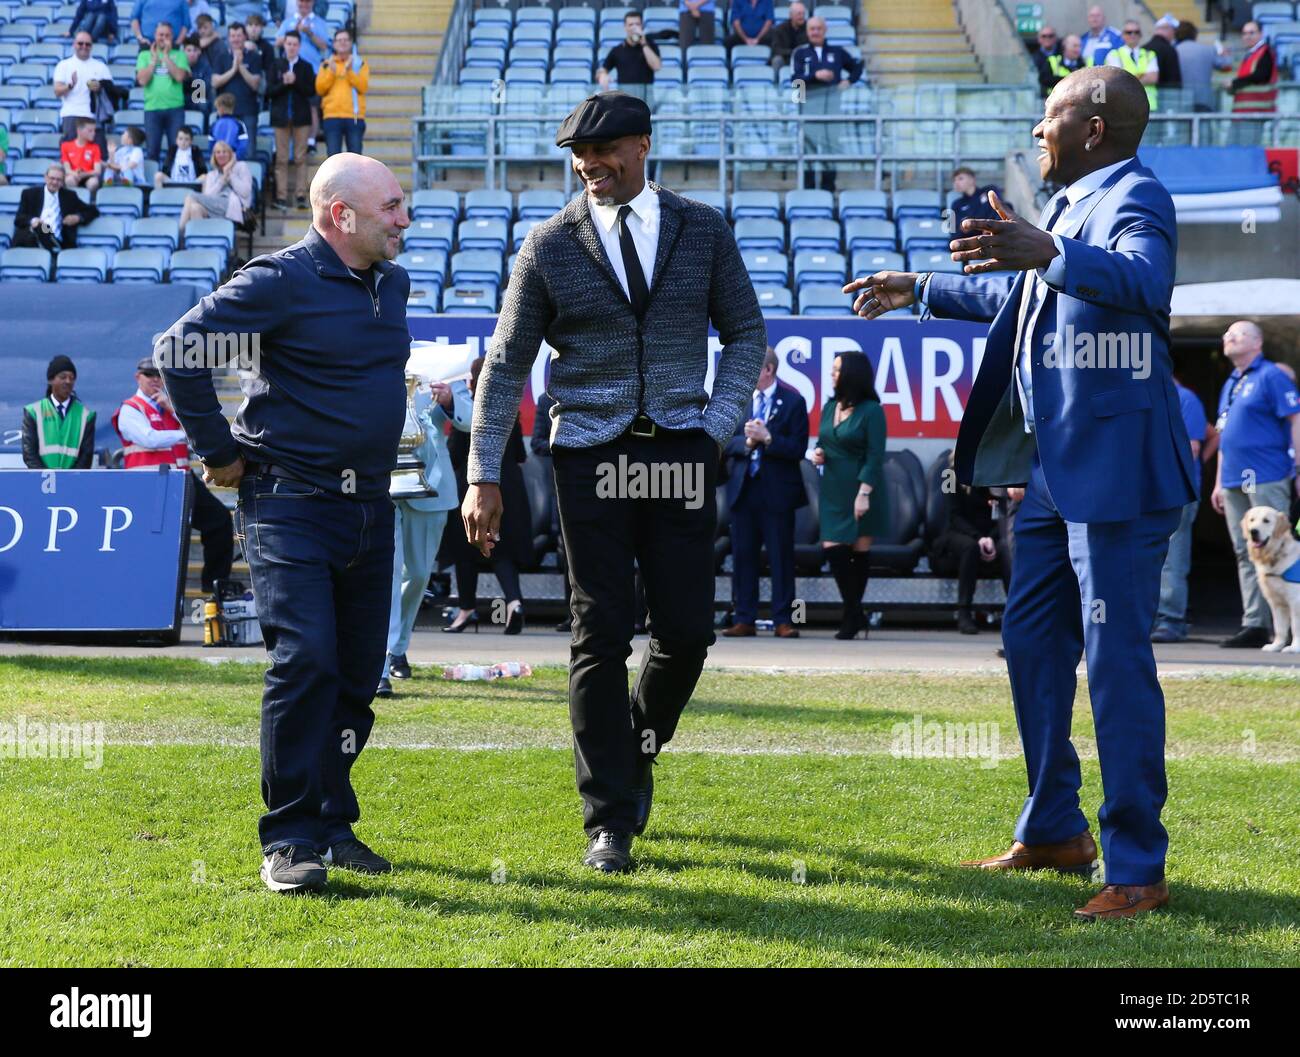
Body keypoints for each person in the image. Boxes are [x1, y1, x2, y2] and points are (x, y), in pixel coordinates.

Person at [844, 67, 1198, 920]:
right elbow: (1025, 295)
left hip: (1117, 472)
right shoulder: (1073, 206)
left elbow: (1148, 287)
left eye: (1051, 114)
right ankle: (1054, 828)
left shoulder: (1138, 198)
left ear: (1097, 123)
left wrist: (1054, 252)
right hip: (1052, 473)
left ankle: (1137, 864)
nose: (1039, 130)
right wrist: (920, 289)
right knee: (1033, 644)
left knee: (1114, 662)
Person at [461, 92, 766, 874]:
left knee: (689, 633)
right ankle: (609, 819)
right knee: (599, 632)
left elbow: (745, 334)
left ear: (641, 145)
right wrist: (482, 472)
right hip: (587, 456)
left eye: (602, 153)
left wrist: (717, 423)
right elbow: (504, 367)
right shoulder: (547, 244)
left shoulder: (703, 229)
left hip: (680, 449)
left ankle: (637, 741)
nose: (587, 167)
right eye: (577, 156)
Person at [157, 153, 412, 894]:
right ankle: (291, 838)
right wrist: (217, 451)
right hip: (290, 504)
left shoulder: (389, 286)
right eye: (392, 206)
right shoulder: (280, 279)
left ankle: (332, 821)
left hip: (371, 504)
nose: (404, 218)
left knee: (357, 677)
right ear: (342, 214)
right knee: (305, 661)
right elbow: (179, 351)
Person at [377, 374, 473, 697]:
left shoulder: (444, 366)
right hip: (381, 483)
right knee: (386, 574)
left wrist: (450, 402)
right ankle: (380, 663)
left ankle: (397, 647)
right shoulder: (374, 351)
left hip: (430, 485)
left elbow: (472, 419)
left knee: (417, 576)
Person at [1210, 320, 1300, 648]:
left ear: (1256, 343)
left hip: (1264, 475)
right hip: (1235, 479)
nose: (1227, 338)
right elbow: (1224, 436)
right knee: (1246, 549)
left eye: (1236, 334)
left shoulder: (1271, 375)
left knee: (1280, 545)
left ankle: (1286, 630)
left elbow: (1295, 419)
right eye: (1226, 334)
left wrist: (1299, 468)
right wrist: (1219, 482)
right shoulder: (1232, 381)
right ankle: (1256, 623)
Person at [112, 357, 233, 592]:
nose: (155, 379)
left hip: (182, 481)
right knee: (157, 543)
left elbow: (197, 427)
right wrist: (183, 435)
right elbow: (148, 438)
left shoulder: (169, 407)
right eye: (149, 375)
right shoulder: (130, 407)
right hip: (148, 485)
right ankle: (144, 591)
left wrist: (172, 409)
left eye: (158, 375)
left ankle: (215, 589)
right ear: (138, 377)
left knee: (219, 521)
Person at [721, 347, 809, 639]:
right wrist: (747, 443)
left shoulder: (794, 401)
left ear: (768, 369)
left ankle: (784, 619)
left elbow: (798, 449)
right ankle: (744, 617)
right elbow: (725, 443)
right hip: (744, 490)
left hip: (777, 493)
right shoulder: (741, 401)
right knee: (743, 556)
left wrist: (768, 439)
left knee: (781, 557)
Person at [441, 357, 531, 636]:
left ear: (474, 380)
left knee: (466, 550)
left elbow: (455, 455)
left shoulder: (468, 413)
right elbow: (520, 455)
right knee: (501, 551)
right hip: (510, 491)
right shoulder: (509, 410)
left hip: (471, 489)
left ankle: (466, 611)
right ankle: (514, 604)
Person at [810, 350, 886, 640]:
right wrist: (819, 452)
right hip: (832, 489)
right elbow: (824, 439)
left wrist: (864, 492)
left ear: (851, 374)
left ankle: (850, 617)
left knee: (858, 553)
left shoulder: (872, 411)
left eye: (837, 369)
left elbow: (875, 456)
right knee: (834, 549)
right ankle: (855, 613)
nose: (832, 374)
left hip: (861, 489)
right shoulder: (830, 406)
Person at [1151, 376, 1210, 643]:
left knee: (1172, 559)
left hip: (1175, 491)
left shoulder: (1185, 398)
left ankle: (1172, 619)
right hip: (1151, 492)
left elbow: (1192, 448)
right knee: (1152, 559)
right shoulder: (1153, 397)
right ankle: (1154, 618)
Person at [930, 454, 1010, 635]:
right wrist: (978, 538)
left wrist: (990, 537)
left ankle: (1014, 612)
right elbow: (951, 514)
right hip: (956, 533)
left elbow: (1003, 513)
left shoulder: (997, 474)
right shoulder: (948, 475)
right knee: (970, 547)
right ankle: (964, 612)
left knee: (1006, 547)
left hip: (989, 535)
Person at [791, 16, 863, 191]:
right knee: (809, 149)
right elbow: (795, 80)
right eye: (812, 29)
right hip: (809, 108)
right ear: (807, 32)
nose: (815, 32)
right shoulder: (801, 53)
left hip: (832, 108)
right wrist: (815, 76)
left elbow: (858, 66)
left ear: (824, 30)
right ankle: (808, 189)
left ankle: (828, 188)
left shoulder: (837, 52)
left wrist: (848, 81)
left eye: (818, 28)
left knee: (831, 148)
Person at [22, 356, 97, 470]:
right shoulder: (33, 412)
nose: (68, 381)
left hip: (72, 483)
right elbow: (30, 454)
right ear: (51, 380)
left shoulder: (86, 416)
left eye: (71, 378)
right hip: (41, 483)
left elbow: (86, 457)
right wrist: (48, 479)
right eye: (63, 377)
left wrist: (69, 479)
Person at [269, 30, 316, 210]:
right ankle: (281, 197)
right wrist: (284, 83)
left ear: (299, 46)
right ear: (284, 45)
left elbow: (311, 92)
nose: (291, 47)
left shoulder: (306, 67)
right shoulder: (276, 64)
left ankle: (301, 195)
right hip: (280, 117)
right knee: (281, 158)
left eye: (294, 44)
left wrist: (295, 82)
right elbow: (269, 92)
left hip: (300, 117)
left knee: (300, 158)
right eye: (288, 44)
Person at [135, 20, 191, 163]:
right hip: (152, 109)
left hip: (175, 109)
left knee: (176, 150)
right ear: (155, 35)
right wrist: (153, 61)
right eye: (161, 34)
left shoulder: (180, 55)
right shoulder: (144, 55)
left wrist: (165, 57)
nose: (163, 38)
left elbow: (179, 77)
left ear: (172, 37)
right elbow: (142, 81)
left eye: (167, 35)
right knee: (152, 151)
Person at [13, 163, 99, 250]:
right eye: (52, 178)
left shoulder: (69, 197)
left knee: (44, 228)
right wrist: (33, 220)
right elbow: (19, 218)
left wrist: (77, 218)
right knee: (39, 228)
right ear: (45, 177)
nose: (54, 182)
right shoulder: (30, 194)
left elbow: (93, 211)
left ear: (63, 181)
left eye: (59, 180)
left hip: (55, 240)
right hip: (33, 236)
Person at [211, 22, 264, 154]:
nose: (235, 39)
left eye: (239, 35)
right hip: (225, 112)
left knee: (248, 151)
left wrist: (240, 66)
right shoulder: (221, 57)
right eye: (232, 36)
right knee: (223, 150)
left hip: (248, 111)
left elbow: (255, 84)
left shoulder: (254, 57)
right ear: (228, 38)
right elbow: (215, 82)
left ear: (245, 37)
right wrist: (234, 69)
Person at [179, 139, 253, 230]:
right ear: (214, 156)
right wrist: (221, 181)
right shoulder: (211, 175)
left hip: (233, 207)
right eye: (218, 152)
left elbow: (245, 192)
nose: (221, 155)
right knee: (195, 208)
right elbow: (208, 196)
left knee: (191, 196)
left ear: (231, 154)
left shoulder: (241, 166)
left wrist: (230, 174)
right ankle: (200, 241)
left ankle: (180, 232)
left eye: (224, 152)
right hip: (215, 206)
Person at [53, 31, 113, 143]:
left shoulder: (101, 66)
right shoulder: (64, 65)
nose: (84, 46)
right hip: (72, 115)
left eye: (88, 44)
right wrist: (70, 86)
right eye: (80, 43)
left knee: (96, 157)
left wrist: (99, 88)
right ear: (74, 44)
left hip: (93, 117)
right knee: (72, 157)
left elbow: (110, 92)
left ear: (91, 46)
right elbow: (57, 91)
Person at [316, 28, 368, 156]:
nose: (343, 43)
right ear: (334, 44)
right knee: (333, 159)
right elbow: (320, 89)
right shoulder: (326, 65)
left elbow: (363, 87)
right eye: (339, 40)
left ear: (351, 43)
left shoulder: (360, 64)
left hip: (354, 116)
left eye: (346, 40)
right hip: (332, 115)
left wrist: (349, 71)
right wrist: (331, 73)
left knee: (355, 160)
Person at [596, 12, 662, 103]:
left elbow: (657, 66)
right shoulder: (618, 50)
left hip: (646, 98)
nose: (634, 27)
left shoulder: (650, 45)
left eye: (637, 24)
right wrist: (602, 75)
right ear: (625, 27)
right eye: (630, 24)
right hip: (625, 99)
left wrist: (644, 43)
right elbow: (602, 69)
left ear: (642, 26)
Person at [1229, 20, 1277, 143]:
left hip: (1254, 113)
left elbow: (1260, 76)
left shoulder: (1264, 52)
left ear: (1260, 34)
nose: (1247, 37)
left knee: (1246, 149)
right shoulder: (1251, 54)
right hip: (1243, 113)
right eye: (1244, 33)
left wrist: (1234, 83)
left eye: (1251, 33)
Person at [1106, 21, 1159, 109]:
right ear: (1123, 35)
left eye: (1136, 32)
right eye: (1129, 32)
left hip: (1149, 105)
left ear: (1140, 35)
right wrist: (1142, 75)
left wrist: (1129, 78)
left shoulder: (1149, 54)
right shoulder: (1114, 54)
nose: (1132, 35)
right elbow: (1117, 80)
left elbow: (1152, 78)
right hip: (1125, 106)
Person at [1174, 21, 1222, 113]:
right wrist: (1222, 51)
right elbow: (1225, 65)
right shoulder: (1208, 50)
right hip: (1205, 100)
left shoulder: (1174, 51)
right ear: (1194, 34)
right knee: (1203, 126)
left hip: (1182, 99)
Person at [950, 166, 1007, 235]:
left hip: (994, 235)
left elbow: (1000, 210)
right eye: (954, 180)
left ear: (972, 179)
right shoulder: (956, 204)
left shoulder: (989, 191)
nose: (956, 183)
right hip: (971, 241)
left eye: (960, 179)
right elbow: (955, 229)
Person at [61, 118, 104, 194]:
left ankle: (88, 202)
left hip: (89, 175)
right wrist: (75, 174)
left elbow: (97, 171)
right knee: (69, 180)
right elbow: (67, 169)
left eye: (94, 130)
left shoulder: (95, 147)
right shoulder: (65, 146)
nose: (94, 133)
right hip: (73, 175)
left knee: (93, 183)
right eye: (90, 131)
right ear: (79, 131)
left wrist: (84, 174)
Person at [1145, 14, 1183, 101]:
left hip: (1147, 99)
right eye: (1174, 31)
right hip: (1166, 100)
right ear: (1168, 29)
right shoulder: (1170, 50)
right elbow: (1174, 80)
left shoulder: (1144, 48)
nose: (1174, 34)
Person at [209, 93, 251, 160]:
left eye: (217, 109)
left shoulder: (214, 125)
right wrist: (234, 158)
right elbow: (243, 146)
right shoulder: (239, 124)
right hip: (234, 160)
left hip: (218, 160)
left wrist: (217, 159)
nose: (217, 112)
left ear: (221, 108)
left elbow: (211, 145)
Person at [768, 1, 808, 69]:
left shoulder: (809, 28)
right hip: (785, 59)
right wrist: (794, 52)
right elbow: (776, 49)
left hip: (803, 59)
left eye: (803, 14)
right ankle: (777, 79)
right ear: (791, 15)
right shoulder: (779, 29)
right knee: (777, 60)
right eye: (799, 14)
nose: (802, 16)